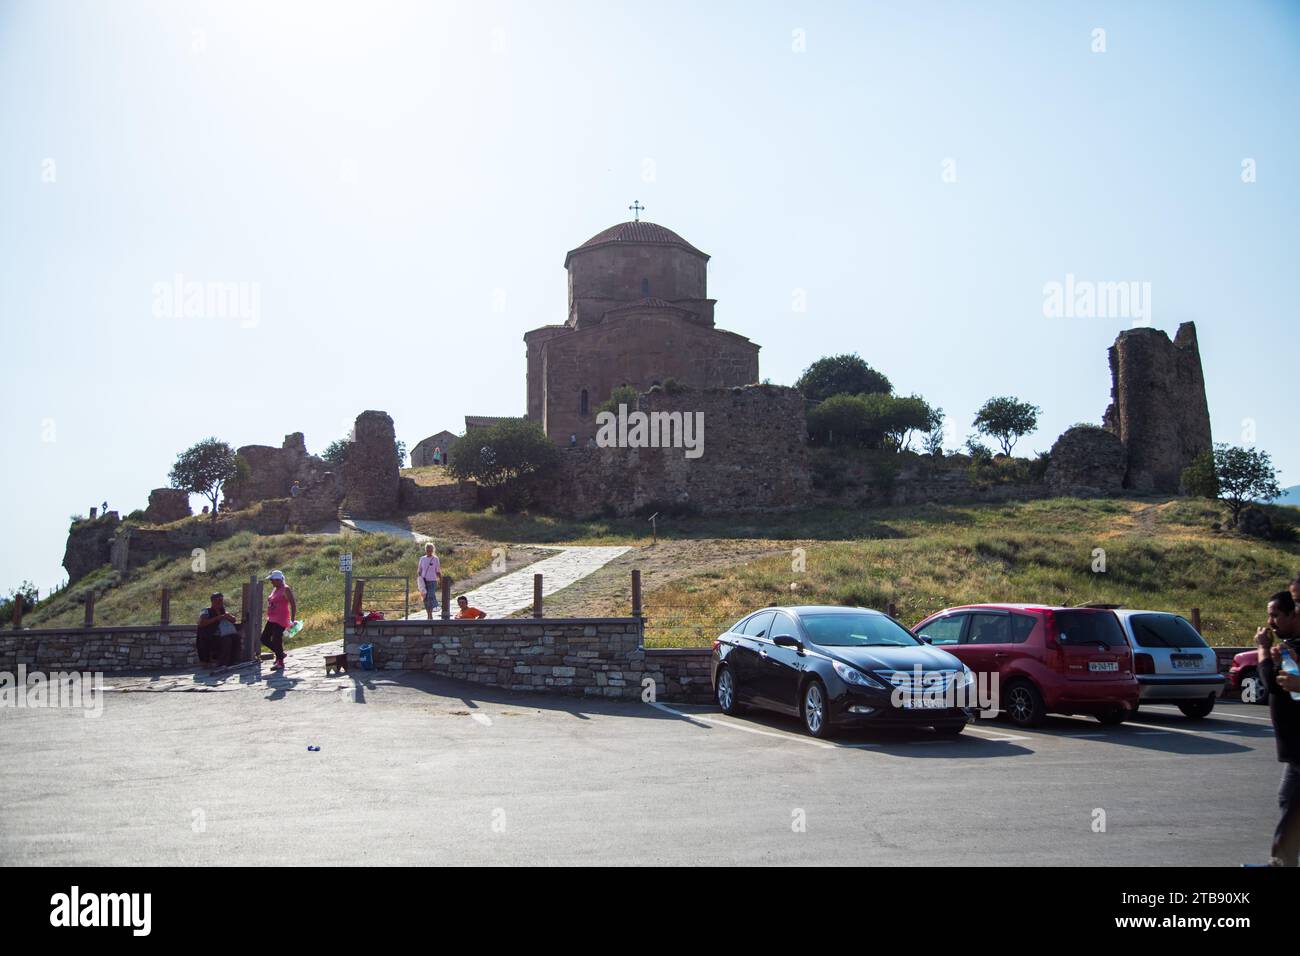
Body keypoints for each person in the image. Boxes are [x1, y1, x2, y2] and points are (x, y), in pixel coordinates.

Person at [1256, 590, 1300, 865]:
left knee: (1289, 804)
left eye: (1276, 615)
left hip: (1299, 750)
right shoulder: (1290, 645)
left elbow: (1273, 685)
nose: (1271, 621)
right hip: (1294, 749)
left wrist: (1262, 650)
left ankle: (1281, 862)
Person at [262, 570, 296, 671]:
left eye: (272, 580)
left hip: (281, 618)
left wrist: (293, 620)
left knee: (276, 638)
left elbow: (293, 604)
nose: (271, 582)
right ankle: (280, 653)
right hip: (272, 618)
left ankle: (280, 662)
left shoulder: (286, 589)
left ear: (278, 580)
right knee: (264, 638)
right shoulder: (275, 589)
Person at [196, 592, 239, 668]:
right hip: (210, 636)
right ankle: (222, 663)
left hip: (221, 634)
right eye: (218, 600)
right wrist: (217, 618)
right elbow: (202, 623)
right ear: (213, 601)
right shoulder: (206, 611)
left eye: (221, 600)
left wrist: (229, 617)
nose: (220, 602)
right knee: (226, 640)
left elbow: (234, 620)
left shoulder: (223, 610)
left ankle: (231, 661)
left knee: (235, 638)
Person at [417, 543, 441, 619]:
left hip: (432, 581)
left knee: (430, 596)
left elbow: (438, 571)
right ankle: (429, 615)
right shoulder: (422, 559)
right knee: (425, 598)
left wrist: (441, 580)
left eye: (430, 550)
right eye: (427, 550)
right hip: (424, 582)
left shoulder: (435, 559)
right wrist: (420, 580)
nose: (429, 551)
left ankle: (433, 611)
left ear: (433, 550)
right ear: (425, 550)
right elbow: (419, 570)